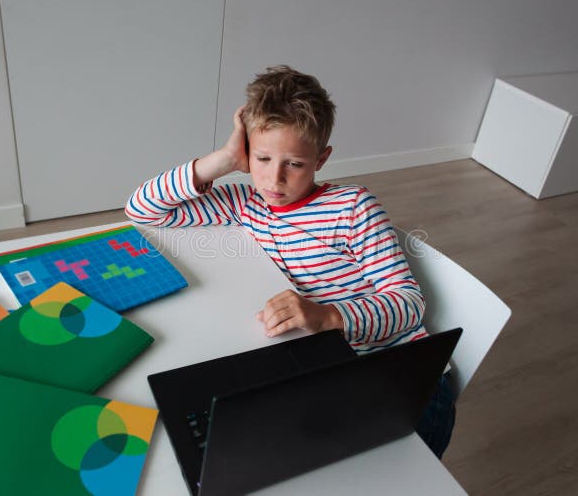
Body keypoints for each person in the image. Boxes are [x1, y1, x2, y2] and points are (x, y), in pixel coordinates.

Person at [125, 65, 455, 457]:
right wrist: (224, 159)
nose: (273, 180)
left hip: (405, 375)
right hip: (328, 369)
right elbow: (144, 210)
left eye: (294, 164)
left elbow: (408, 304)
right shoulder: (248, 203)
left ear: (322, 158)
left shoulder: (352, 207)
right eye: (261, 159)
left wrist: (327, 316)